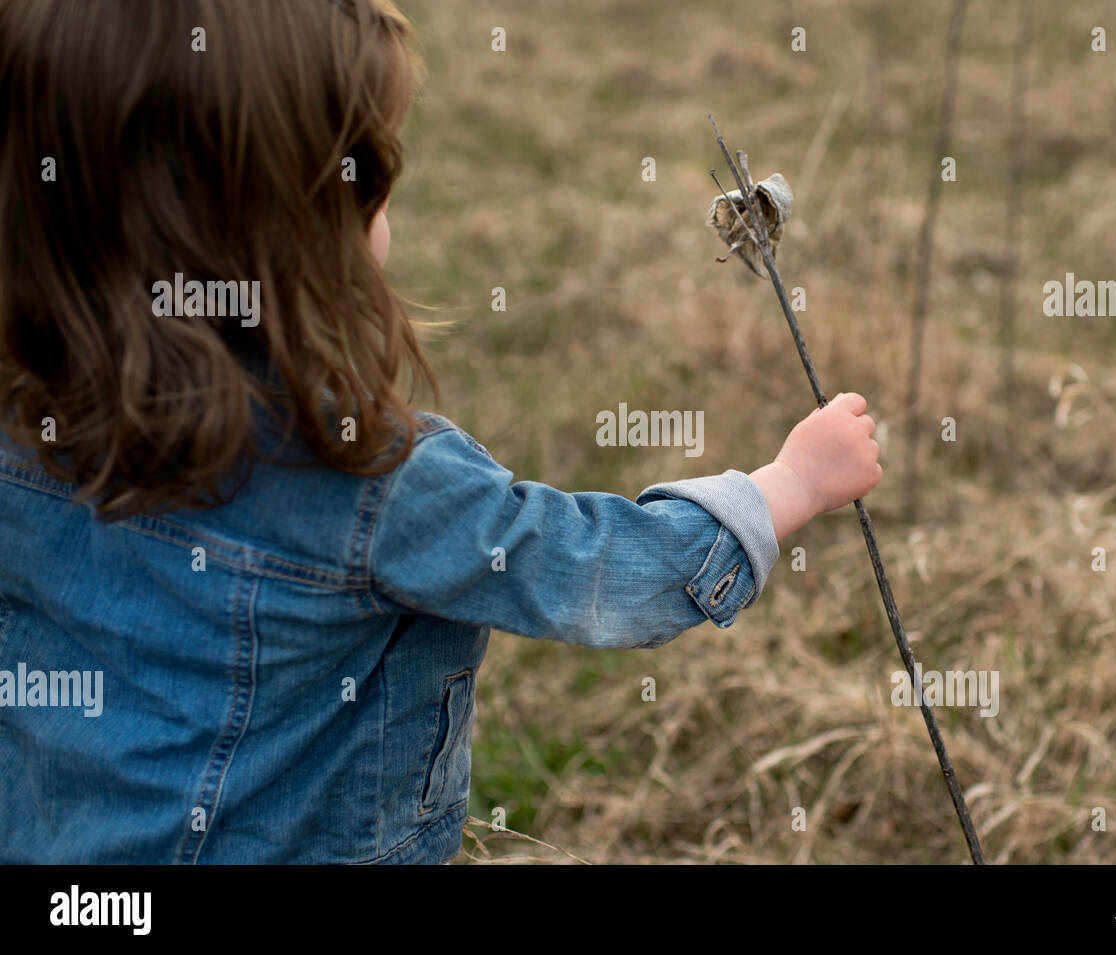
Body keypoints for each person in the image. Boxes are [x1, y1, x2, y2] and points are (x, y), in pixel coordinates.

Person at [0, 0, 880, 863]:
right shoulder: (370, 482)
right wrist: (788, 486)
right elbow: (585, 567)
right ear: (282, 232)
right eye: (362, 183)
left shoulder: (21, 424)